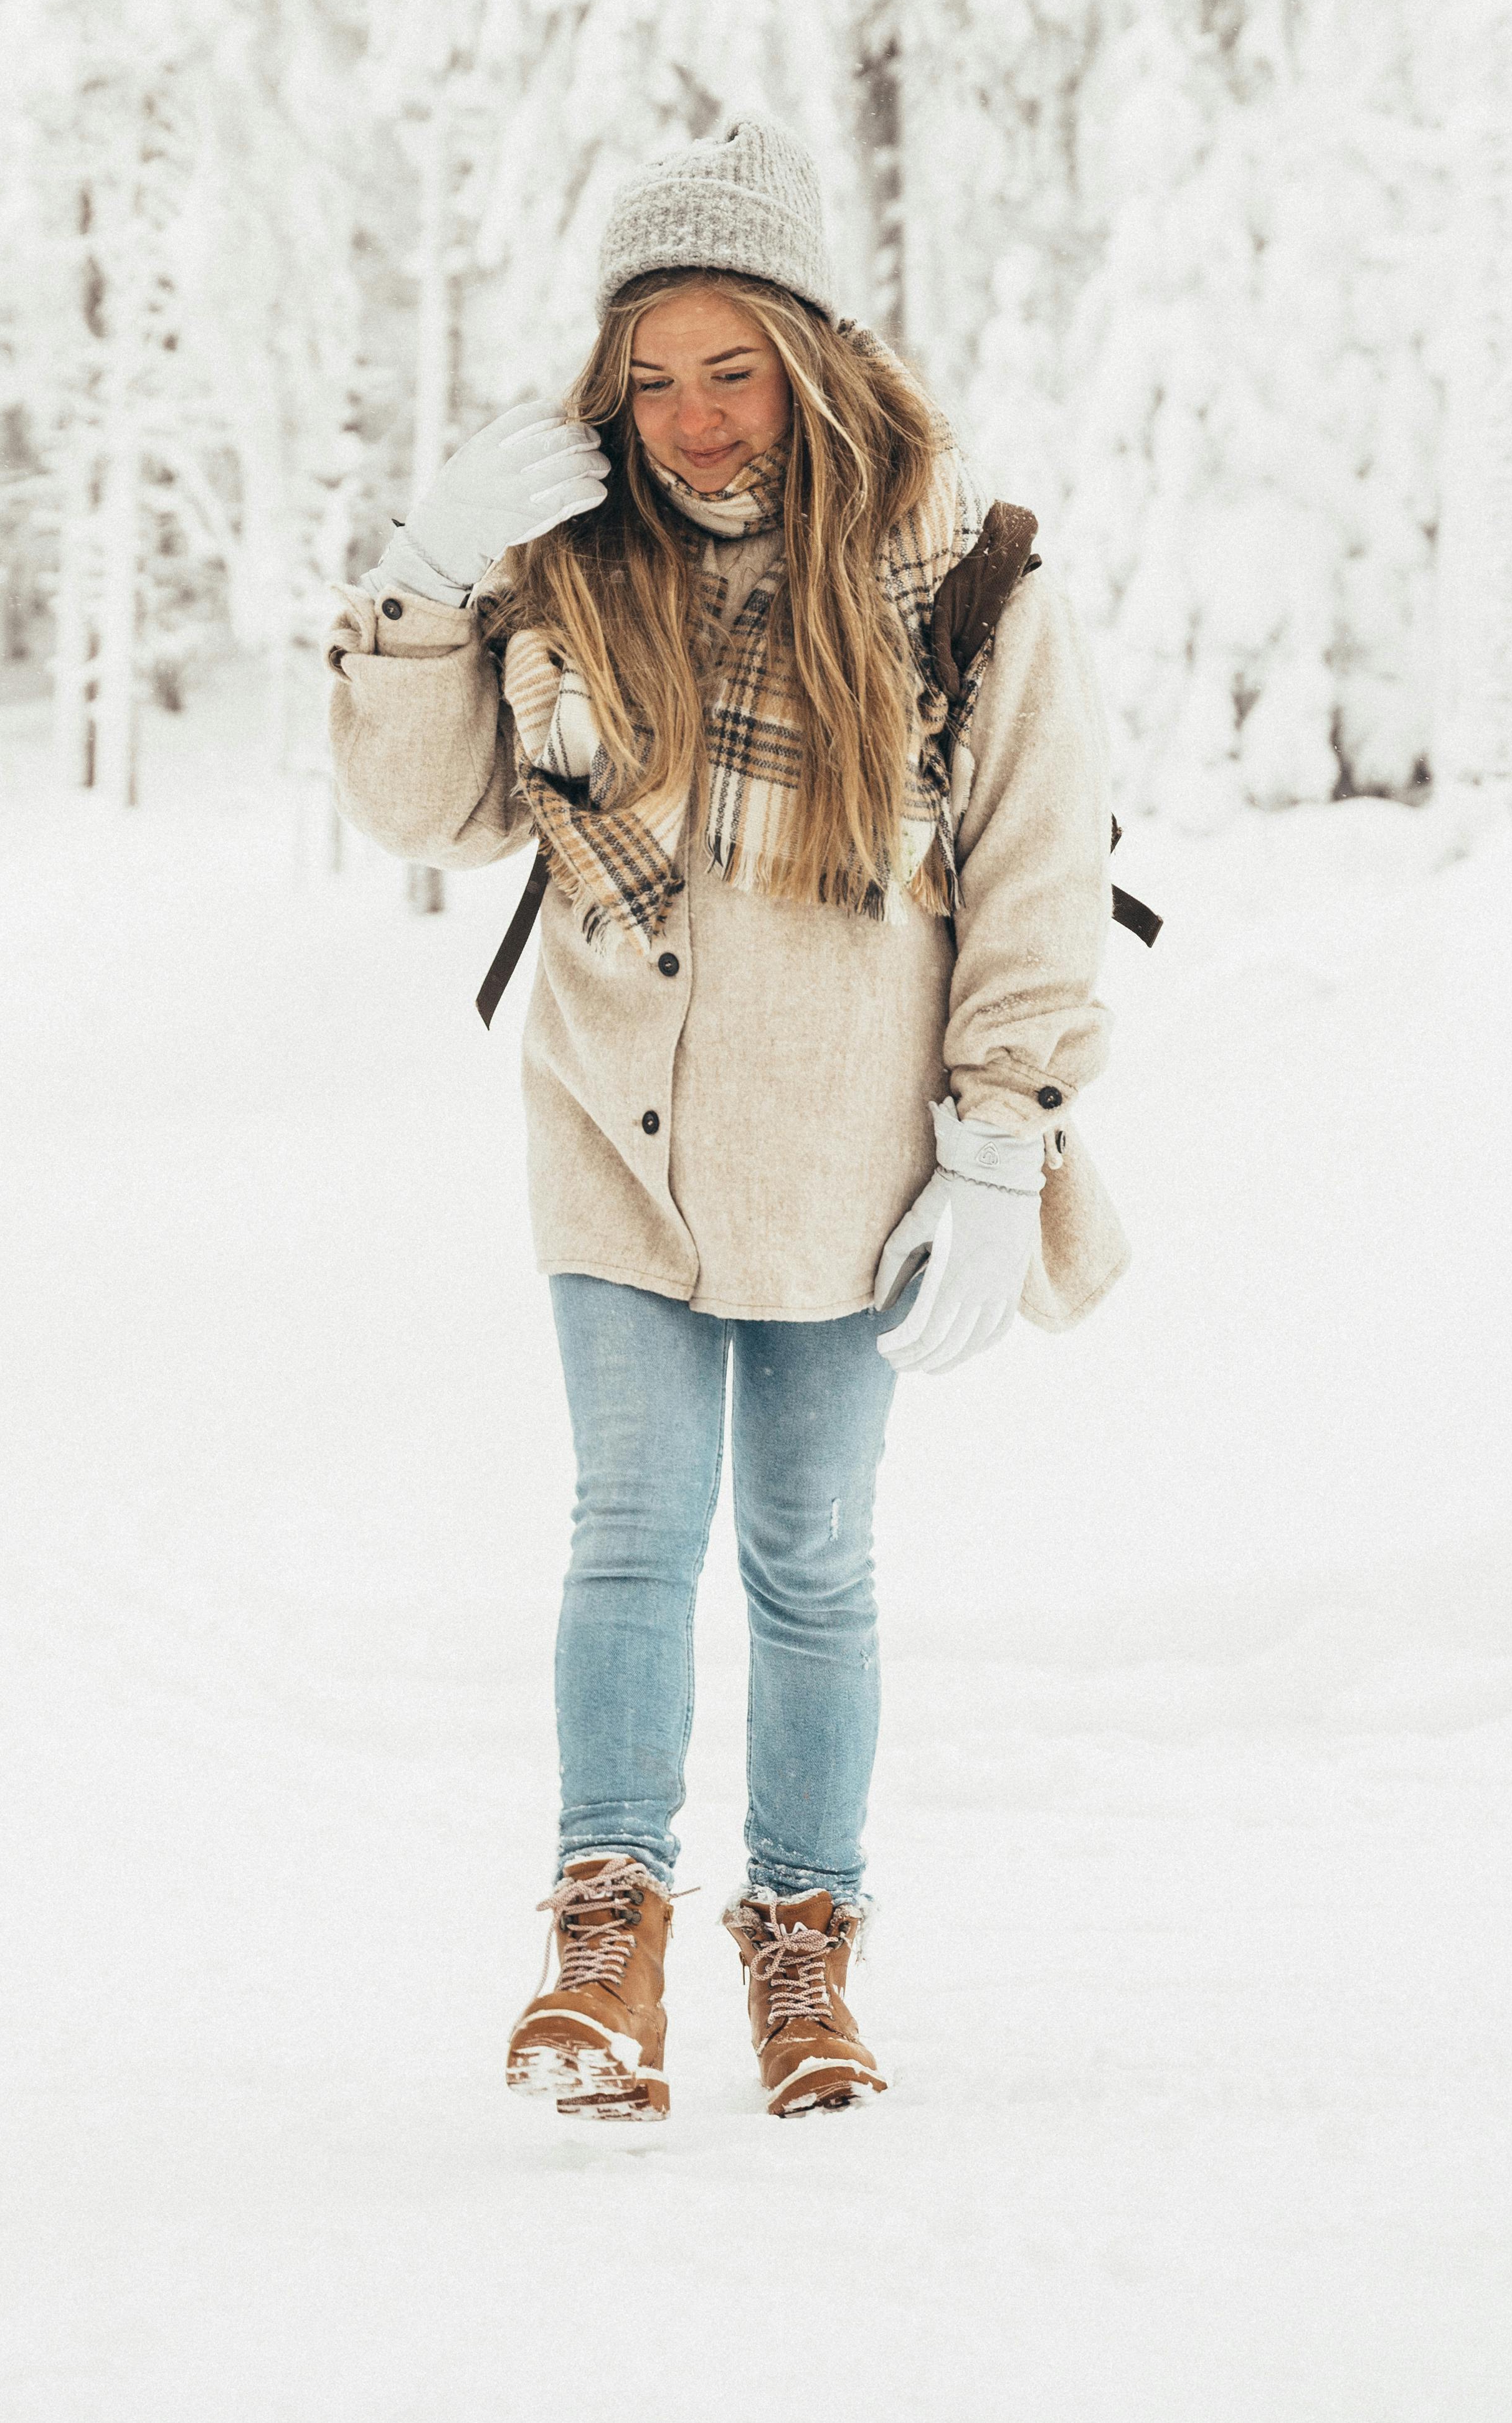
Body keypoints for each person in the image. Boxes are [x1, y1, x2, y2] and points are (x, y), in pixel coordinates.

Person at [326, 112, 1125, 2121]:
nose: (690, 417)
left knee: (811, 1556)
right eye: (652, 375)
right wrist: (428, 580)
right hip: (617, 1135)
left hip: (853, 1161)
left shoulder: (962, 573)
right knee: (628, 1524)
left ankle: (805, 1944)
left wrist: (1001, 1131)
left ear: (809, 348)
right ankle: (607, 1936)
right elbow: (429, 810)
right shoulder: (564, 567)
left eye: (731, 366)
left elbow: (1036, 861)